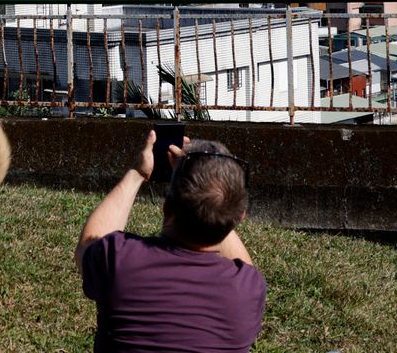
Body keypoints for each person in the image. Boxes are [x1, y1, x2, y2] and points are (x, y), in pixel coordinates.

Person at [76, 132, 266, 353]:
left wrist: (137, 173)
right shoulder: (247, 289)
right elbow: (239, 253)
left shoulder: (119, 260)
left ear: (166, 208)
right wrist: (212, 201)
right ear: (240, 218)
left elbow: (88, 243)